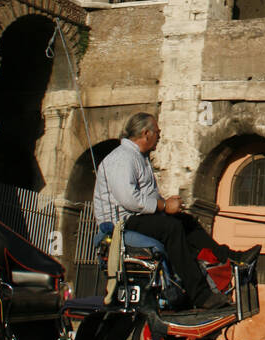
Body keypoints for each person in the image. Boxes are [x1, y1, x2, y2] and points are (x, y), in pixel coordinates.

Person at [93, 113, 230, 311]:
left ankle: (227, 256)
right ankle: (201, 295)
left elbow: (145, 196)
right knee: (171, 228)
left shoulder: (139, 158)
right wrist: (164, 207)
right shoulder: (122, 158)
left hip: (139, 217)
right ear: (145, 133)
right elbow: (129, 200)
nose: (159, 136)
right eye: (157, 132)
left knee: (185, 221)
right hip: (122, 222)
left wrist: (169, 205)